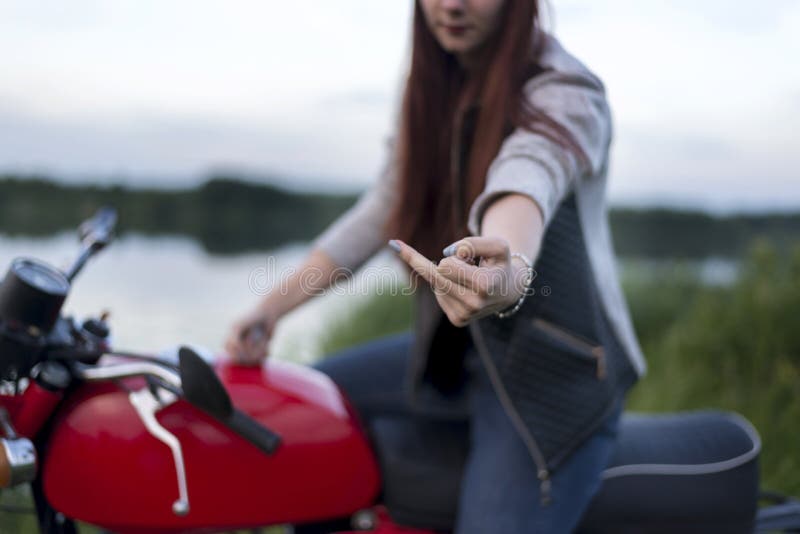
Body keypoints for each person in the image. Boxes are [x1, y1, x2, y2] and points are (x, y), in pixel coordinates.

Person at [226, 0, 646, 532]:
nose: (451, 4)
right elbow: (385, 208)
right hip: (458, 356)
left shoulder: (565, 91)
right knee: (305, 408)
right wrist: (270, 308)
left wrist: (508, 268)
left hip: (551, 371)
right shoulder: (432, 85)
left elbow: (528, 175)